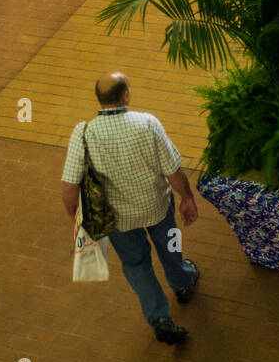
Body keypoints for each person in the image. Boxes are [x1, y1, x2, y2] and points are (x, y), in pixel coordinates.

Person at [60, 73, 200, 346]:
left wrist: (79, 219)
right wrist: (187, 197)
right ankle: (182, 282)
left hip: (118, 220)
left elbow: (69, 188)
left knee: (135, 263)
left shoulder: (84, 133)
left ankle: (159, 317)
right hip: (157, 207)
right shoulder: (147, 123)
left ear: (100, 100)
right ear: (125, 96)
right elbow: (172, 171)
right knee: (169, 245)